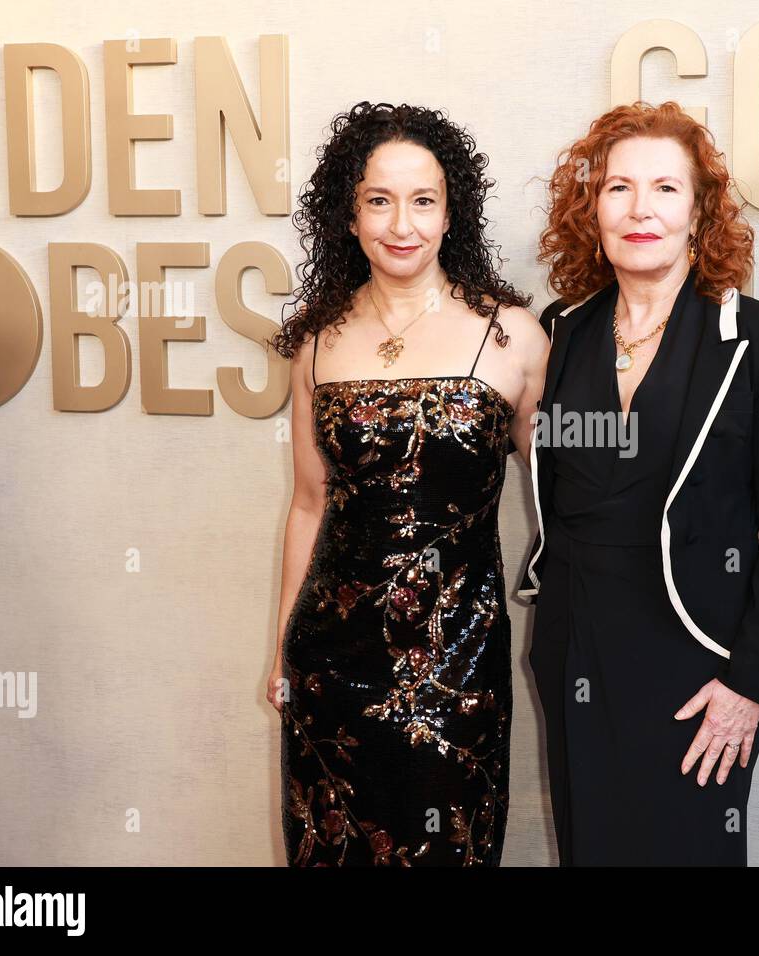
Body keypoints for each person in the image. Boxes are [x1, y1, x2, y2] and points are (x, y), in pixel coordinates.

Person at [519, 101, 759, 865]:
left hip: (697, 663)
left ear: (700, 213)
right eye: (618, 188)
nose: (640, 209)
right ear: (591, 209)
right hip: (578, 648)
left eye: (665, 188)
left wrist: (750, 682)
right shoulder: (559, 331)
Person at [266, 101, 547, 866]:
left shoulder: (512, 334)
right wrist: (282, 649)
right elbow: (307, 504)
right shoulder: (317, 345)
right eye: (378, 200)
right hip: (331, 659)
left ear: (451, 212)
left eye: (423, 200)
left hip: (458, 660)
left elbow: (566, 496)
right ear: (348, 216)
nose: (402, 223)